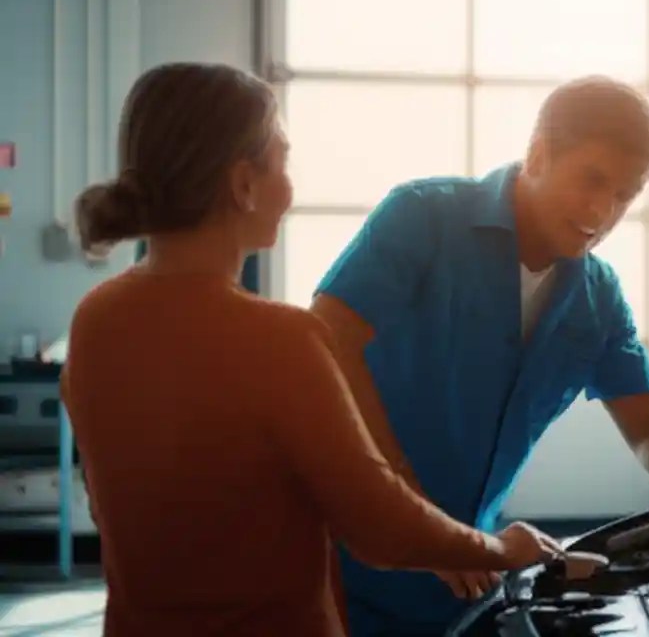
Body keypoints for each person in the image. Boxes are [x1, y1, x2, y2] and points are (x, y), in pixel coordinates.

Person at [60, 62, 564, 637]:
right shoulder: (277, 339)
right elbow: (381, 529)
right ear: (243, 185)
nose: (290, 188)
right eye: (282, 157)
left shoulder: (94, 319)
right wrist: (499, 547)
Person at [311, 75, 649, 635]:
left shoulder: (598, 297)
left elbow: (645, 417)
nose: (602, 211)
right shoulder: (421, 217)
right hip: (334, 560)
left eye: (624, 195)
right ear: (539, 154)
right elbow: (324, 343)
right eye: (591, 180)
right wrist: (415, 521)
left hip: (464, 579)